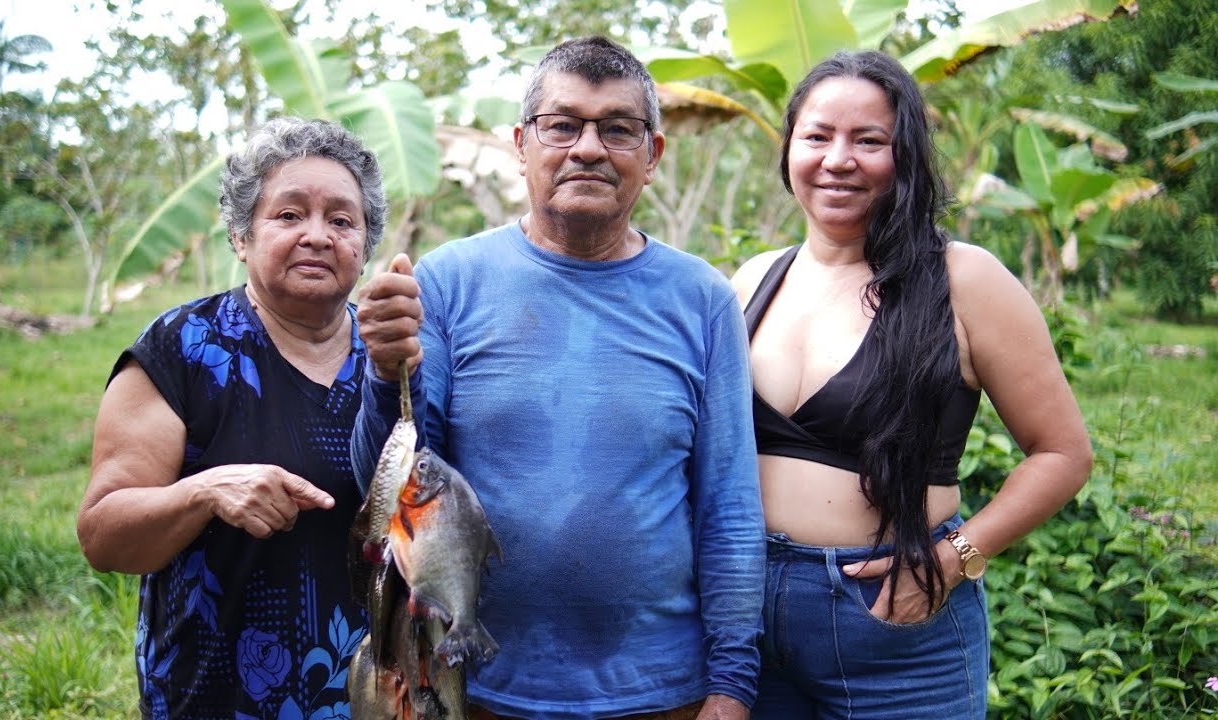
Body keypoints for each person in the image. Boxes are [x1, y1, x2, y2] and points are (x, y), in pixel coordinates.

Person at [352, 36, 765, 720]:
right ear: (522, 144)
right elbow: (389, 490)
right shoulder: (449, 283)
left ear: (653, 155)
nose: (589, 148)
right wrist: (381, 372)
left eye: (618, 129)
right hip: (475, 689)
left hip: (660, 692)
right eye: (563, 125)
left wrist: (731, 687)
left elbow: (728, 512)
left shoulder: (703, 300)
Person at [730, 50, 1094, 719]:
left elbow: (1063, 454)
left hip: (894, 630)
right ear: (789, 151)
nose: (838, 159)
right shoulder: (754, 279)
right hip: (753, 622)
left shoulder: (965, 279)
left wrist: (955, 558)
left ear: (906, 155)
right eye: (817, 136)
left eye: (868, 140)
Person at [77, 117, 387, 720]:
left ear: (365, 244)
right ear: (242, 236)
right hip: (216, 698)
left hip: (369, 699)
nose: (318, 236)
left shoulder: (390, 358)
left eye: (342, 220)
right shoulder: (185, 350)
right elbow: (103, 535)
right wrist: (205, 491)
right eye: (289, 215)